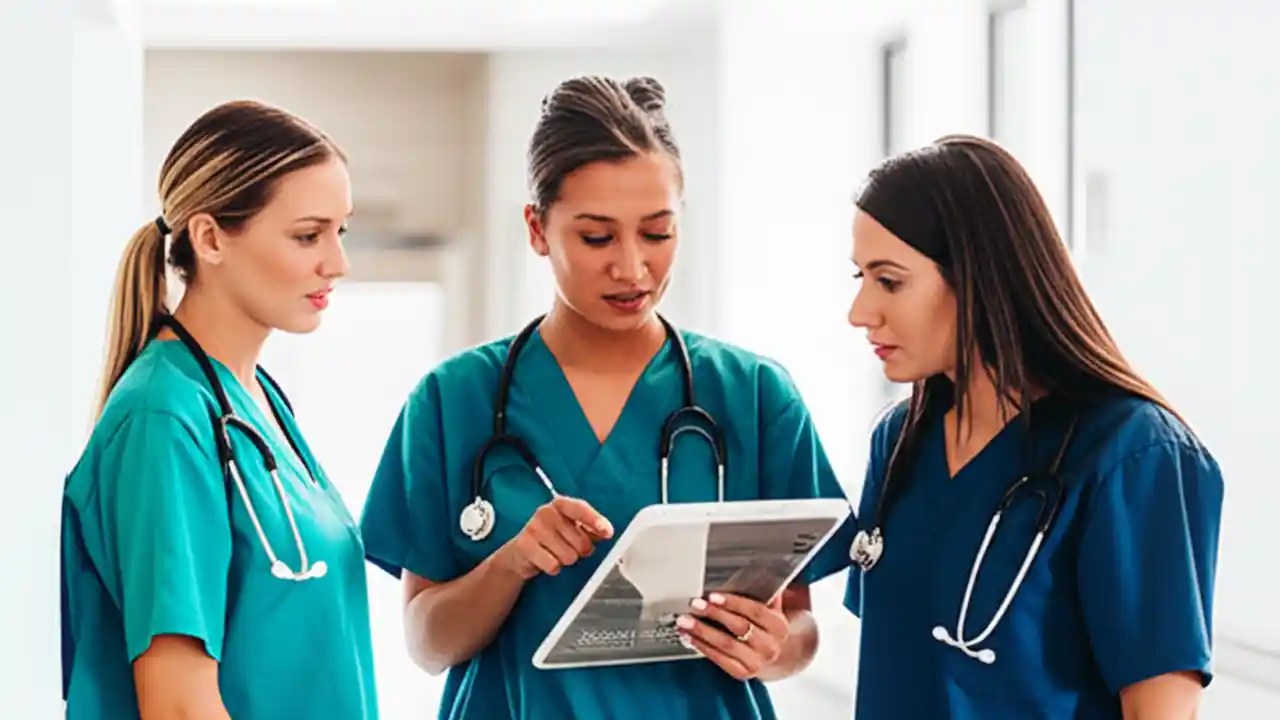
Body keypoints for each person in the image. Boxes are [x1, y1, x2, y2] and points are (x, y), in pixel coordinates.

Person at [358, 75, 854, 719]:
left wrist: (771, 648)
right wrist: (512, 563)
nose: (632, 268)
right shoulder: (454, 400)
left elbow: (800, 628)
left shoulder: (755, 396)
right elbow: (428, 642)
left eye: (657, 233)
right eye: (597, 237)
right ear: (537, 229)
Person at [842, 133, 1224, 719]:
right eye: (859, 278)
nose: (860, 312)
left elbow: (1159, 710)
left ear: (978, 276)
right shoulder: (899, 441)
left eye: (889, 281)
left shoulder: (1131, 453)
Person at [59, 100, 378, 719]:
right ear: (209, 238)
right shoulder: (164, 416)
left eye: (342, 232)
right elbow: (179, 705)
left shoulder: (257, 399)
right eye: (308, 235)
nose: (337, 262)